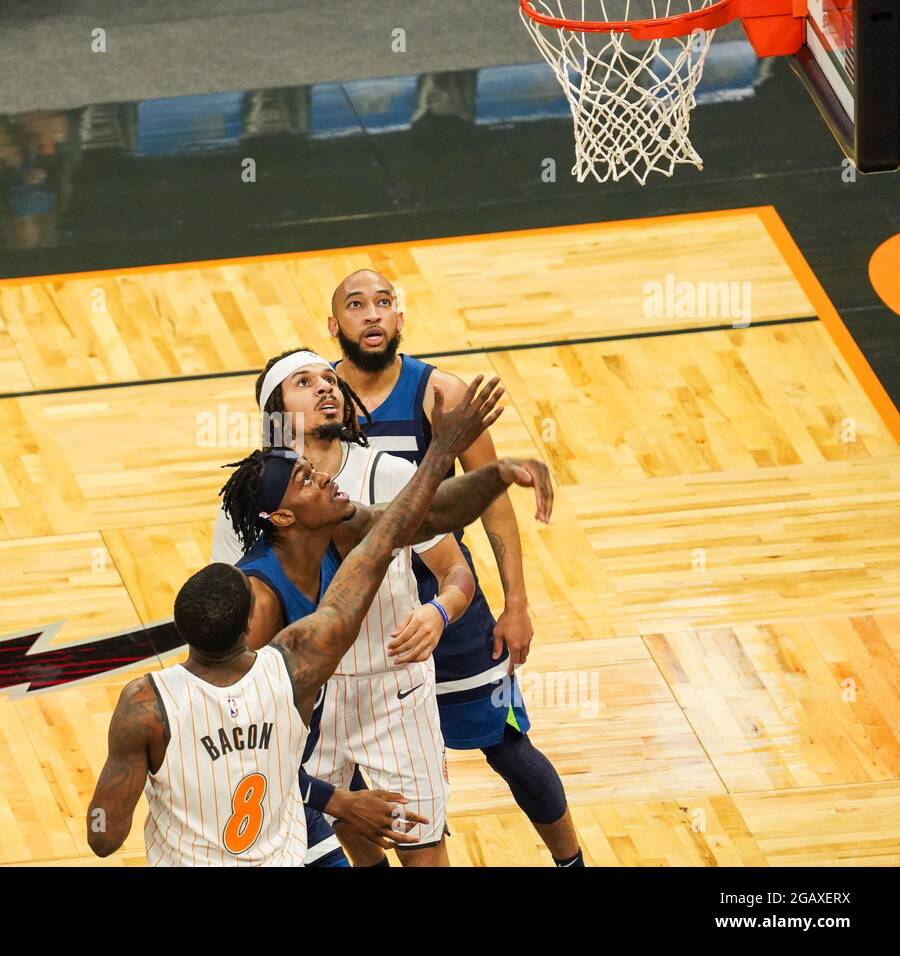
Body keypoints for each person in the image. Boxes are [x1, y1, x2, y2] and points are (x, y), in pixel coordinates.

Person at [86, 379, 542, 864]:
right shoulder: (272, 619)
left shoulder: (336, 531)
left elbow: (418, 519)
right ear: (282, 517)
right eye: (305, 479)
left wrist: (496, 476)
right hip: (277, 784)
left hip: (288, 760)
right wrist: (338, 800)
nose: (323, 477)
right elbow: (256, 756)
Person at [329, 268, 585, 866]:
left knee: (509, 747)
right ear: (334, 323)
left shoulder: (440, 394)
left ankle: (573, 863)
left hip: (448, 593)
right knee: (358, 769)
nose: (371, 315)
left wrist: (517, 604)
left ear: (400, 318)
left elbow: (492, 500)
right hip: (360, 613)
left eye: (383, 303)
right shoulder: (315, 396)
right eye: (356, 305)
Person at [213, 349, 481, 866]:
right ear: (276, 412)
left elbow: (458, 573)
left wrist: (439, 612)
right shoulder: (247, 499)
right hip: (308, 698)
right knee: (336, 829)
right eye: (304, 382)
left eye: (329, 379)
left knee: (420, 841)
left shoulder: (388, 472)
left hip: (394, 687)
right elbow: (236, 627)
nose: (325, 388)